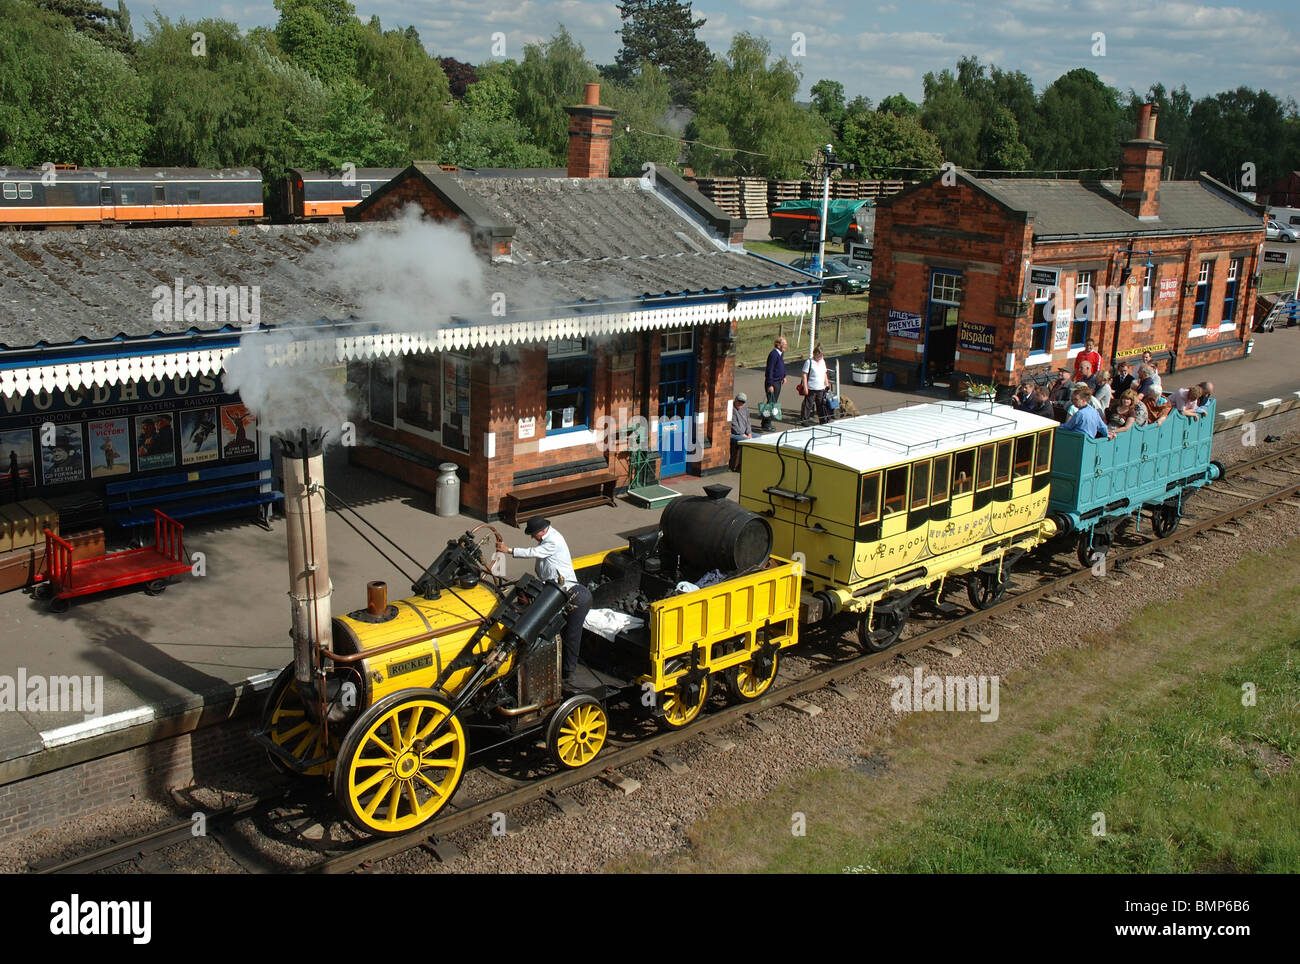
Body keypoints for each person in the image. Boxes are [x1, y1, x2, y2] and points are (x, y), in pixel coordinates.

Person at [496, 517, 592, 691]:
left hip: (574, 595)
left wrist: (508, 550)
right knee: (559, 631)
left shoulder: (553, 541)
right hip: (558, 592)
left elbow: (533, 552)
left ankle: (569, 673)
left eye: (533, 534)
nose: (533, 537)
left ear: (541, 531)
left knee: (571, 635)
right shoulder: (546, 540)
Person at [801, 344, 830, 425]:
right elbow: (804, 374)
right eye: (820, 354)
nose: (821, 356)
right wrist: (805, 388)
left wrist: (827, 383)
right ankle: (804, 420)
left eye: (822, 355)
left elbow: (824, 373)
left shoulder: (822, 362)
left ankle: (822, 420)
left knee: (821, 405)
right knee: (808, 404)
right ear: (815, 353)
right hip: (811, 387)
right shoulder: (809, 362)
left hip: (821, 388)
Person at [762, 337, 787, 431]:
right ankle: (766, 423)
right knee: (771, 404)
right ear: (778, 344)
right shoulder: (773, 354)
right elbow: (770, 370)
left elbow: (781, 366)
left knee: (772, 402)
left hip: (778, 381)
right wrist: (770, 384)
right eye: (784, 344)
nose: (786, 346)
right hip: (773, 383)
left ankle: (765, 421)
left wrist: (783, 376)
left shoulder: (780, 354)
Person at [730, 392, 752, 470]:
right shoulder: (732, 409)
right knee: (746, 440)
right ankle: (738, 465)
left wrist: (749, 432)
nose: (740, 403)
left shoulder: (745, 408)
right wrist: (742, 434)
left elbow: (748, 421)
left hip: (745, 433)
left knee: (759, 438)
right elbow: (733, 424)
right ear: (735, 399)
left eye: (743, 402)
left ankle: (749, 461)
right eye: (739, 401)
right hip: (734, 433)